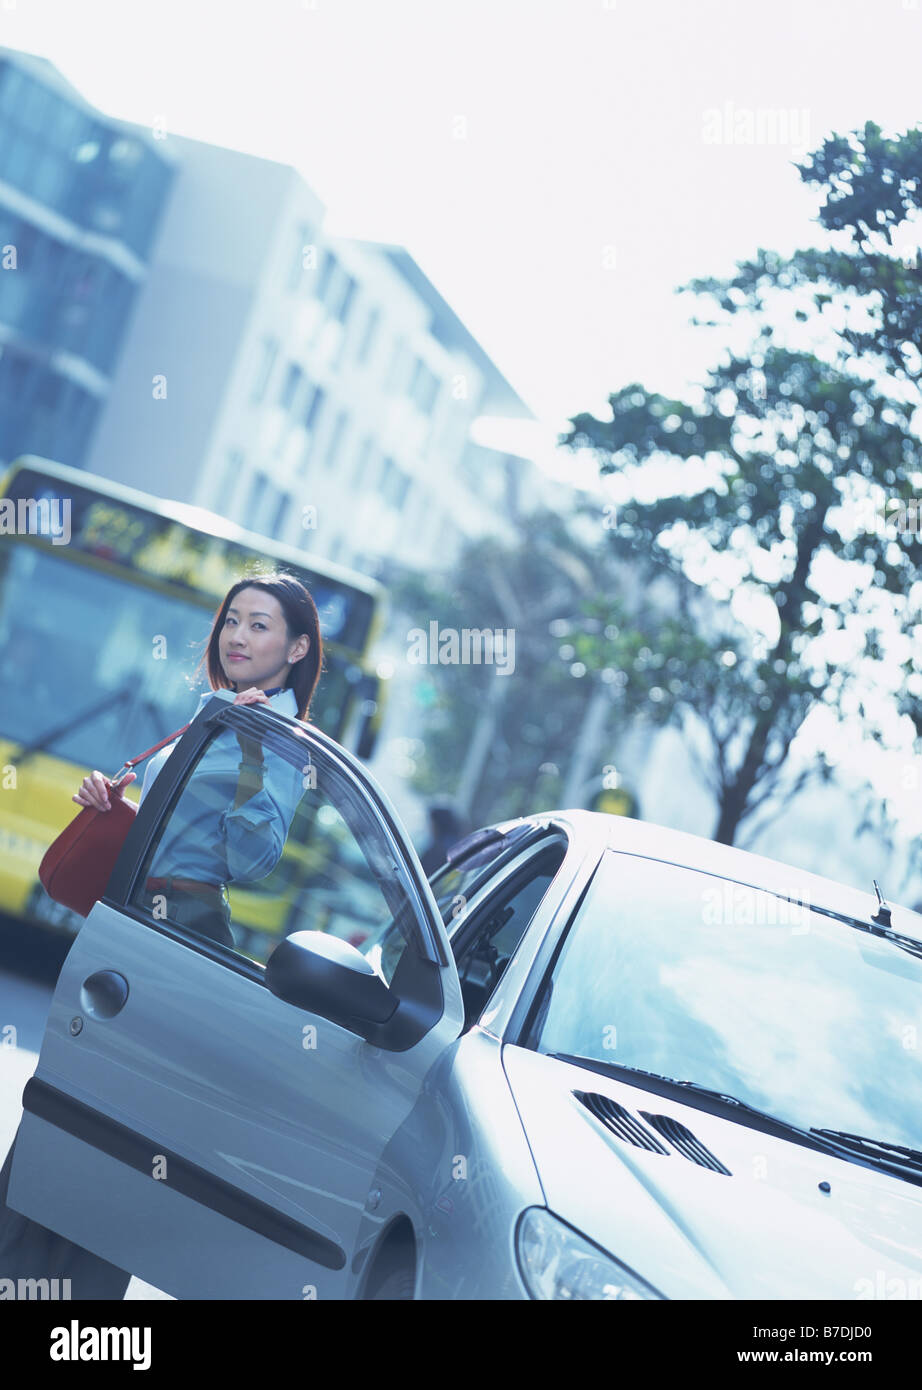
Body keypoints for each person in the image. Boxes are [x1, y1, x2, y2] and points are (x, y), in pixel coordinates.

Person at [0, 571, 324, 1299]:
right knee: (66, 1108)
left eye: (261, 624)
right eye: (232, 619)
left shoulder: (280, 738)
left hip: (184, 936)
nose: (238, 635)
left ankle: (72, 1307)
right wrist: (121, 808)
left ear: (298, 647)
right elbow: (188, 830)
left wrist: (247, 746)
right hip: (137, 919)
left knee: (122, 1131)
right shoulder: (220, 711)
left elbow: (252, 859)